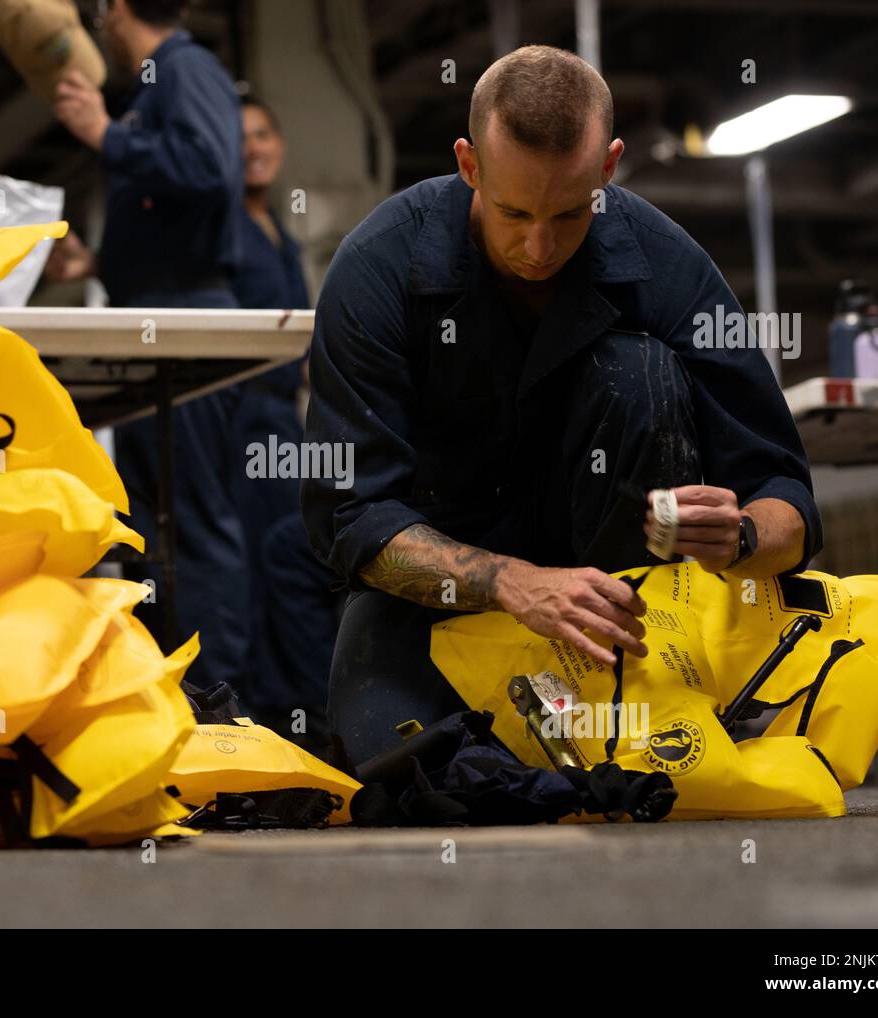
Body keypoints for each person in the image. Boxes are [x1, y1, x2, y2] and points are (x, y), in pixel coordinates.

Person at [301, 46, 823, 764]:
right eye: (514, 213)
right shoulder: (377, 269)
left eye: (569, 214)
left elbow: (788, 500)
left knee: (638, 370)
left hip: (624, 619)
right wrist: (511, 582)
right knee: (411, 777)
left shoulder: (669, 265)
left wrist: (738, 537)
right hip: (439, 609)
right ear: (469, 163)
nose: (539, 246)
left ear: (608, 167)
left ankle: (636, 692)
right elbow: (352, 518)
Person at [50, 0, 247, 689]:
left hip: (185, 317)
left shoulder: (184, 68)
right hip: (150, 313)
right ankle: (167, 697)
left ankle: (221, 707)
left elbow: (209, 170)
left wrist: (107, 135)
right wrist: (97, 263)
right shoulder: (153, 84)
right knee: (155, 527)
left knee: (191, 521)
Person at [230, 96, 337, 746]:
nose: (254, 148)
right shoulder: (225, 231)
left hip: (284, 424)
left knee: (292, 555)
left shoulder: (282, 234)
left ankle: (306, 716)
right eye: (239, 138)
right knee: (255, 570)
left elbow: (303, 354)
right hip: (242, 419)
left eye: (263, 134)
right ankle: (269, 716)